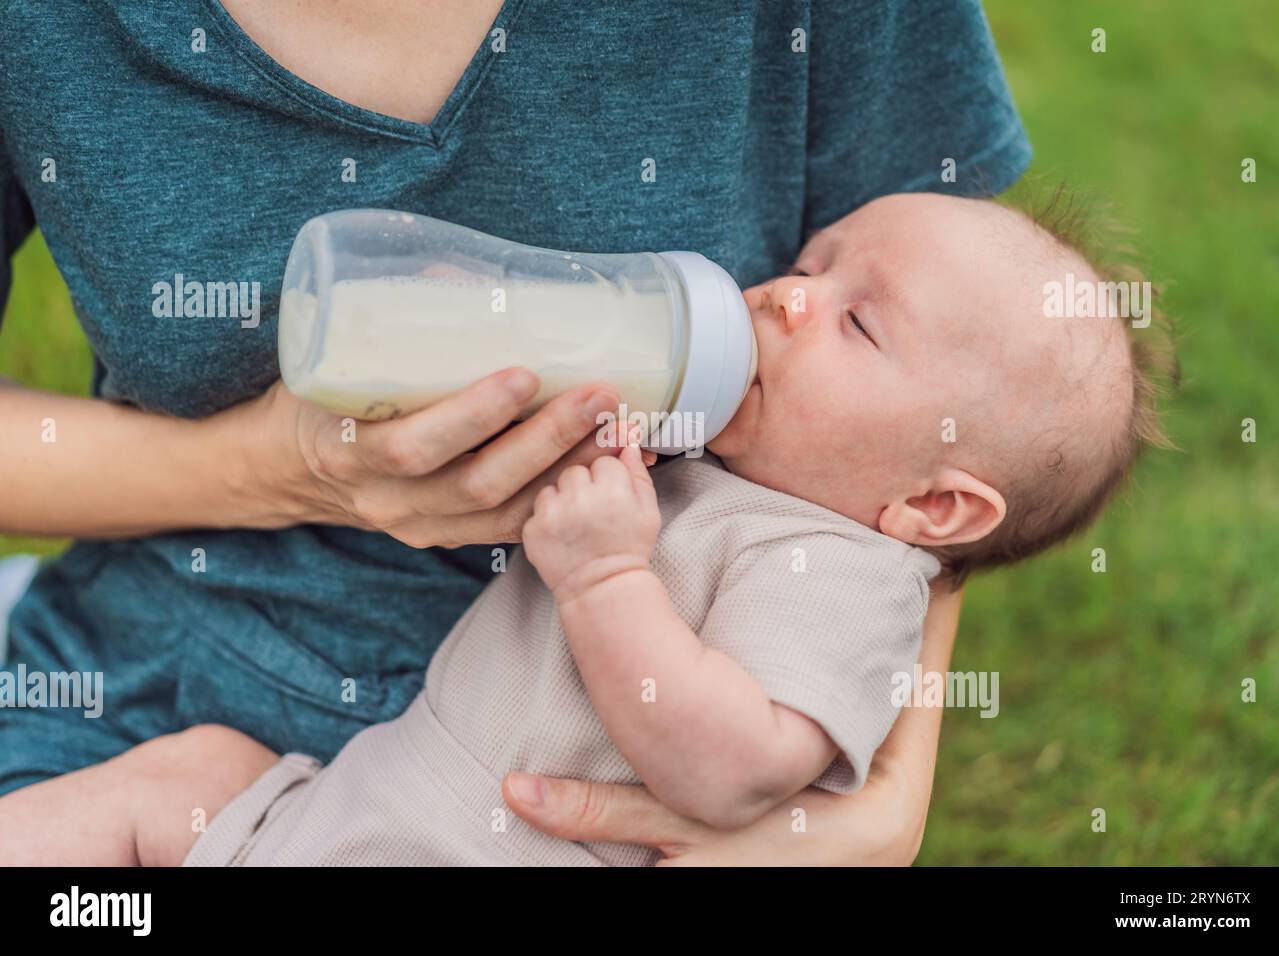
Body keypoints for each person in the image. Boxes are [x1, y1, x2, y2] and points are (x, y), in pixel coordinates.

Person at [0, 1, 1030, 862]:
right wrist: (271, 469)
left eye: (851, 318)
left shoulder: (814, 559)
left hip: (524, 824)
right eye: (810, 263)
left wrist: (889, 792)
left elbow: (972, 393)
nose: (788, 297)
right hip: (173, 685)